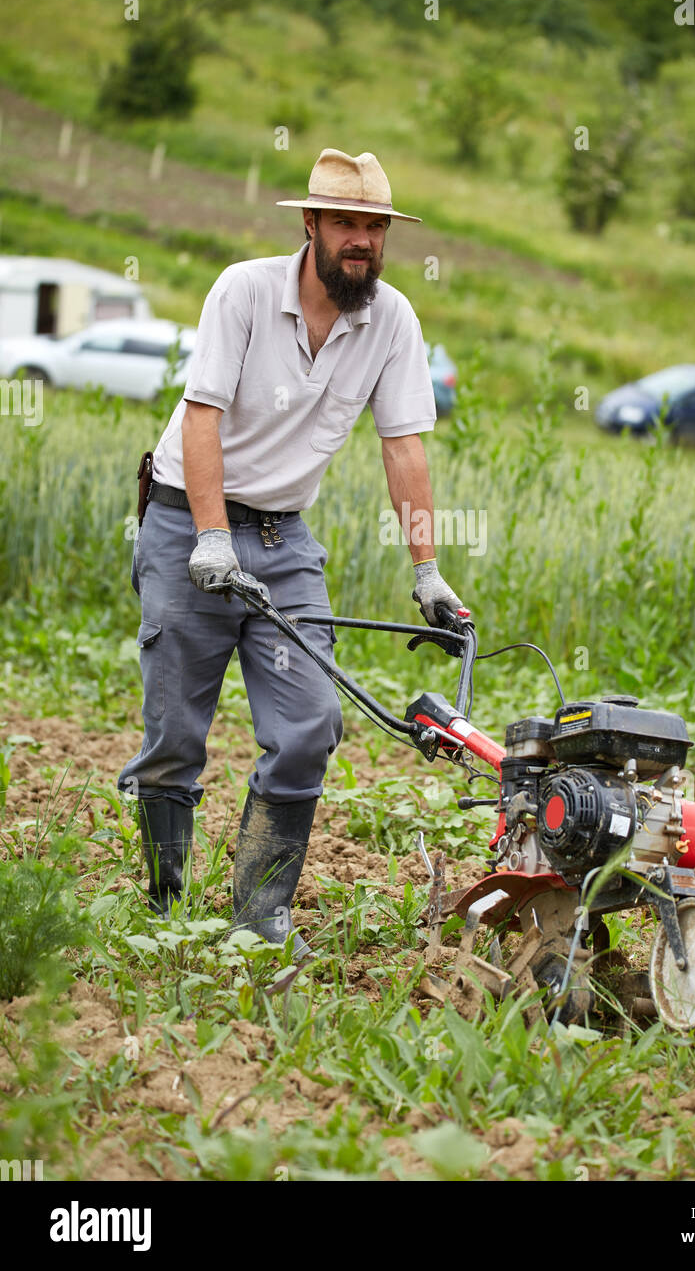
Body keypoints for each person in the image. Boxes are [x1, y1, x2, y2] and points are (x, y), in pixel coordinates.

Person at [118, 148, 469, 958]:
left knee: (311, 725)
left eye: (375, 228)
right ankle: (167, 906)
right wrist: (209, 536)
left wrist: (427, 572)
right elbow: (200, 417)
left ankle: (260, 916)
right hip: (185, 524)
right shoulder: (243, 291)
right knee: (176, 732)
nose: (362, 242)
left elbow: (404, 446)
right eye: (346, 223)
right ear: (309, 225)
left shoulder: (393, 321)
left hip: (284, 540)